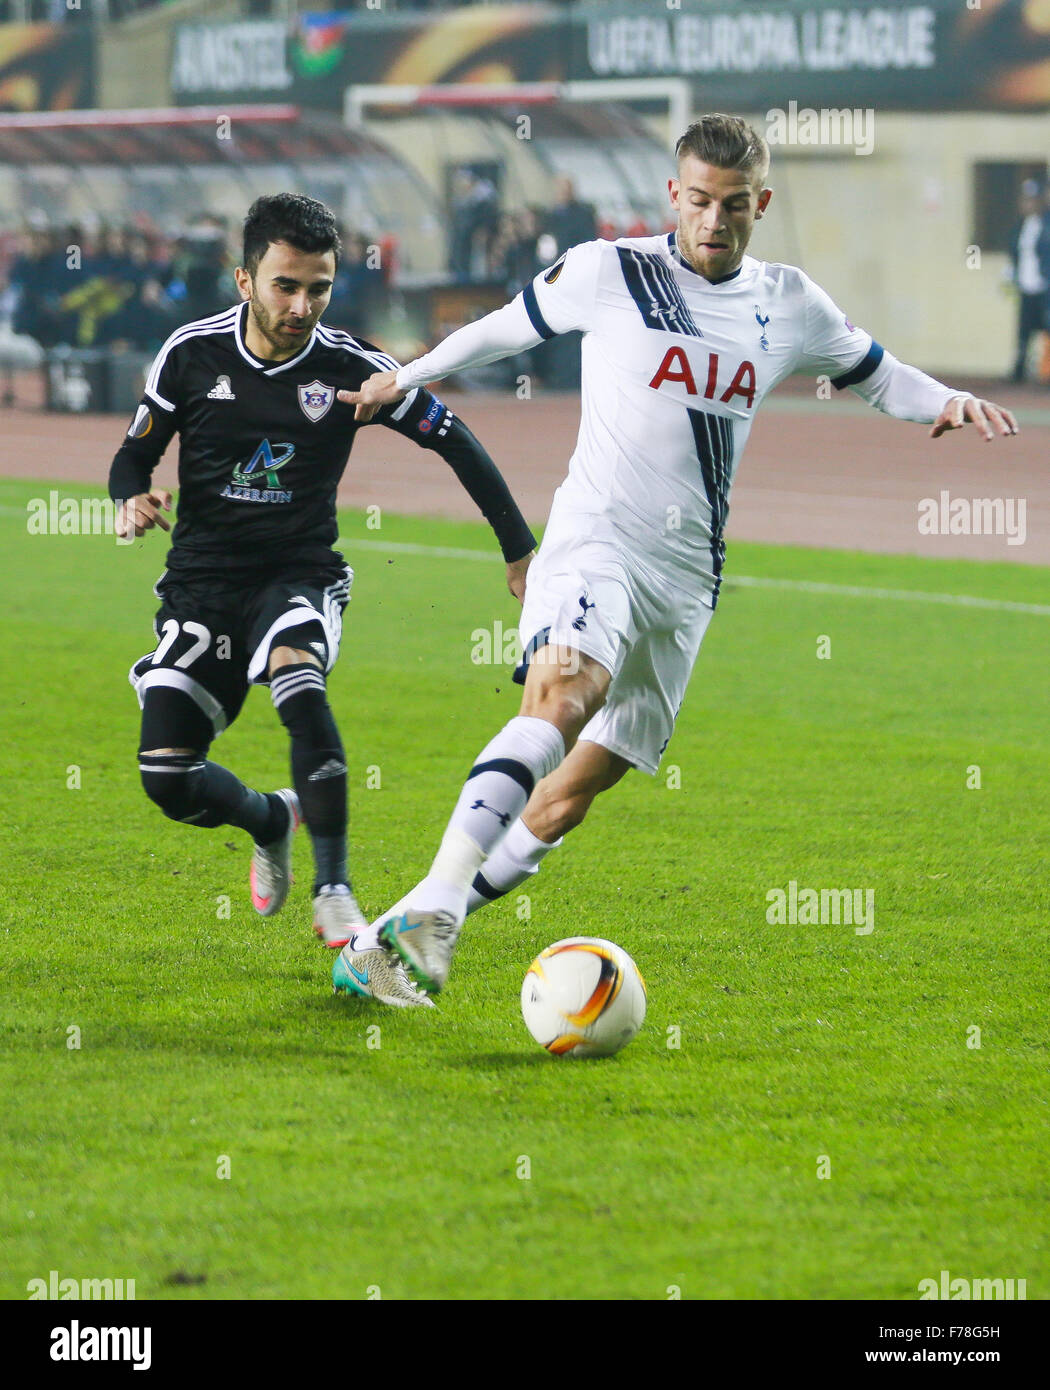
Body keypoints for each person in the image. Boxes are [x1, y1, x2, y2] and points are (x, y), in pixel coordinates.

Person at [339, 114, 1018, 1000]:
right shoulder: (610, 271)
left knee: (576, 790)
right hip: (598, 542)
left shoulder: (788, 301)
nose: (713, 220)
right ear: (674, 195)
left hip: (687, 579)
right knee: (564, 696)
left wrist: (950, 397)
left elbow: (876, 372)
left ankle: (402, 938)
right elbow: (507, 328)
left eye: (734, 205)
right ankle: (433, 907)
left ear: (760, 204)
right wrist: (411, 373)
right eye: (698, 200)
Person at [109, 192, 536, 1008]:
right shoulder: (190, 354)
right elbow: (132, 458)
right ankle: (273, 819)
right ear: (245, 279)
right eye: (285, 286)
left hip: (298, 573)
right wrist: (131, 498)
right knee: (166, 776)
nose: (301, 306)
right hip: (201, 585)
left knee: (298, 678)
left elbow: (452, 437)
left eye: (319, 288)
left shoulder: (349, 365)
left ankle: (336, 892)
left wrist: (517, 546)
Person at [1007, 179, 1050, 383]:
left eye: (1032, 200)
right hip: (1026, 286)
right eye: (1026, 200)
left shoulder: (1047, 223)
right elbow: (1015, 253)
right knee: (1024, 331)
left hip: (1045, 287)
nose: (1028, 204)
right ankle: (1019, 370)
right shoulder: (1020, 226)